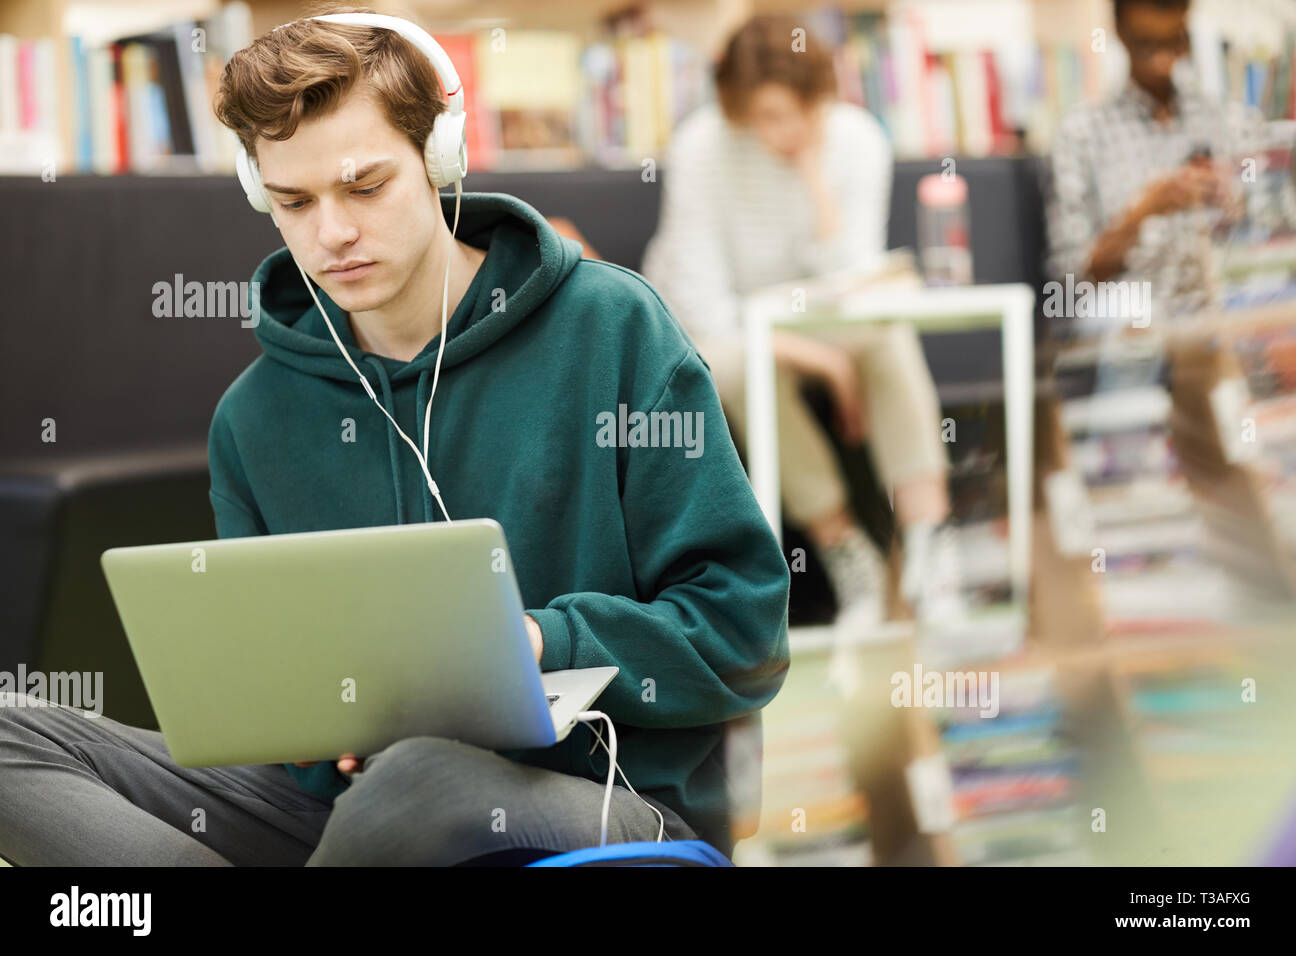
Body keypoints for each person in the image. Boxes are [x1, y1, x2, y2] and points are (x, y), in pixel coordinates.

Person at [0, 8, 790, 866]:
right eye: (293, 202)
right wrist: (316, 730)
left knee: (421, 778)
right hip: (350, 814)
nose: (331, 233)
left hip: (611, 804)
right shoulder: (254, 416)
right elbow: (285, 727)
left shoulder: (611, 330)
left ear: (438, 159)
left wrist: (536, 643)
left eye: (364, 186)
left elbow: (744, 632)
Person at [641, 16, 966, 662]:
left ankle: (932, 549)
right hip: (729, 328)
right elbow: (705, 312)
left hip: (818, 316)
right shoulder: (701, 150)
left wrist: (815, 175)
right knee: (736, 370)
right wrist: (818, 359)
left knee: (889, 337)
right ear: (736, 113)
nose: (793, 130)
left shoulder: (856, 139)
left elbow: (852, 279)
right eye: (771, 117)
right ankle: (849, 555)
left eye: (807, 111)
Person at [1045, 0, 1272, 325]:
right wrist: (1143, 212)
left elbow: (1271, 242)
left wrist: (1235, 208)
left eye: (1174, 41)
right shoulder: (1082, 133)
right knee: (1129, 317)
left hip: (1224, 305)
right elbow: (1068, 284)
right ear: (1120, 34)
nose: (1163, 63)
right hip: (1131, 317)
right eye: (1146, 44)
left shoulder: (1231, 122)